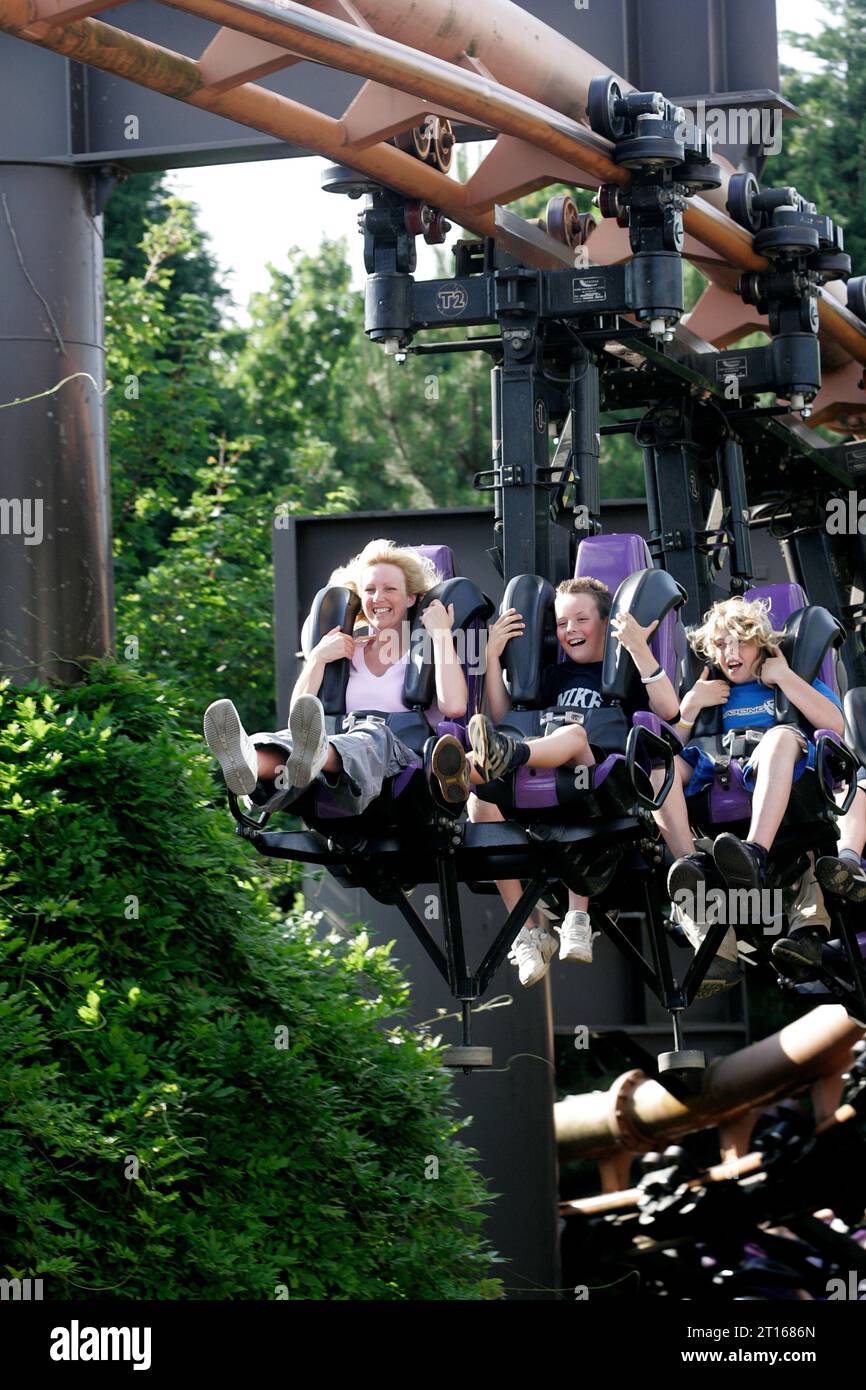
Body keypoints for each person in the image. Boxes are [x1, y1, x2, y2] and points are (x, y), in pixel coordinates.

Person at [466, 577, 680, 986]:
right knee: (479, 801)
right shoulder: (554, 677)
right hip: (546, 780)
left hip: (605, 781)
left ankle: (578, 916)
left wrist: (637, 646)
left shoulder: (623, 673)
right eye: (561, 623)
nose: (570, 630)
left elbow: (670, 711)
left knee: (574, 737)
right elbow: (505, 716)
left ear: (605, 622)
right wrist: (492, 658)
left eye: (581, 619)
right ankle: (529, 934)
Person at [203, 539, 470, 818]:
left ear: (411, 597)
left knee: (371, 736)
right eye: (370, 590)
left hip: (400, 757)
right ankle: (251, 762)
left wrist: (440, 635)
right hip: (338, 746)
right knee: (289, 739)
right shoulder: (347, 652)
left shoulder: (428, 650)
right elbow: (299, 713)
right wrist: (317, 659)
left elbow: (453, 707)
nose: (378, 598)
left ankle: (319, 755)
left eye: (389, 589)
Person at [654, 596, 845, 982]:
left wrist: (786, 677)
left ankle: (754, 852)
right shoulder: (710, 689)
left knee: (778, 738)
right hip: (720, 775)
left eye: (740, 641)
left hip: (787, 784)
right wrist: (690, 707)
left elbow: (836, 727)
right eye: (721, 645)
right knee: (660, 767)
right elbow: (670, 745)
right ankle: (692, 864)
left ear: (760, 642)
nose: (730, 652)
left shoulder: (789, 682)